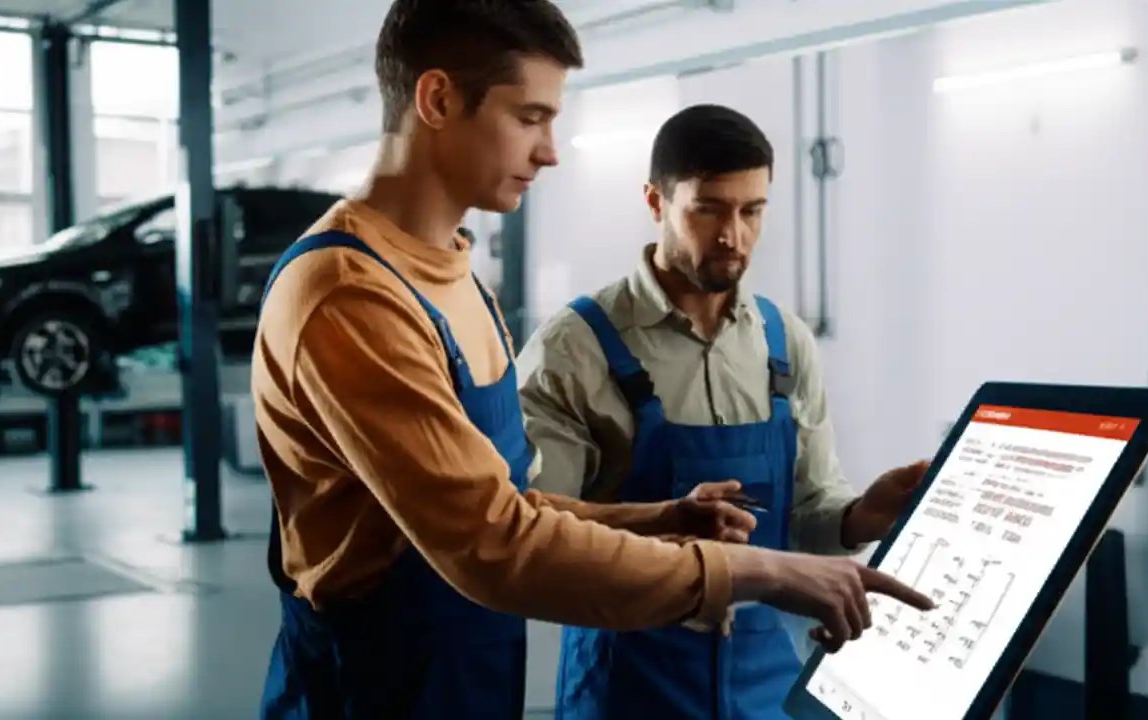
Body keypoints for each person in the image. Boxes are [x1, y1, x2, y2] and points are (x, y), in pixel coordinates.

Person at [253, 1, 933, 717]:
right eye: (530, 117)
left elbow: (505, 502)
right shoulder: (348, 296)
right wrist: (753, 569)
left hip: (469, 677)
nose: (550, 150)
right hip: (374, 689)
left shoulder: (460, 280)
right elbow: (494, 542)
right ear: (438, 98)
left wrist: (661, 518)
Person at [516, 103, 933, 719]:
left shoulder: (782, 341)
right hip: (629, 684)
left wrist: (863, 515)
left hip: (766, 684)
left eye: (751, 211)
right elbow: (535, 535)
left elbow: (809, 511)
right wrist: (662, 525)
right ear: (656, 202)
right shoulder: (572, 349)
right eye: (707, 208)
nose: (732, 235)